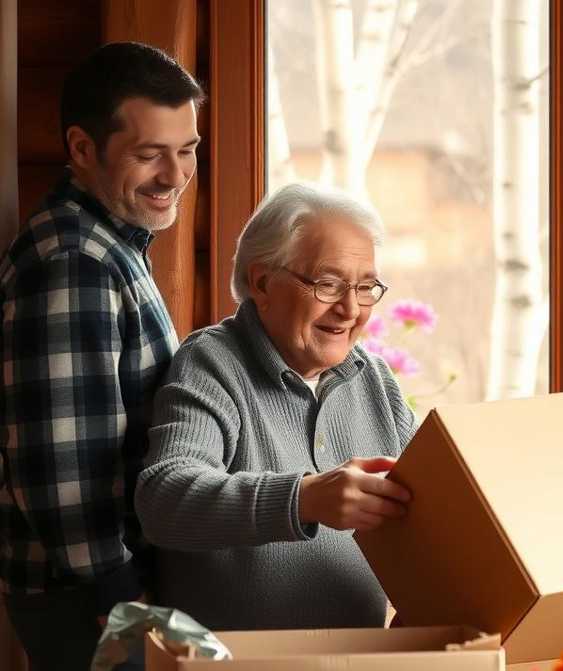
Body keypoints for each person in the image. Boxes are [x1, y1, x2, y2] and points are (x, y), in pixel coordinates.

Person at [0, 42, 203, 669]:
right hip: (91, 594)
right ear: (84, 149)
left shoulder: (112, 243)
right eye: (149, 154)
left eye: (187, 149)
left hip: (104, 584)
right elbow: (58, 462)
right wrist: (121, 596)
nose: (175, 175)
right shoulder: (75, 262)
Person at [135, 183, 415, 630]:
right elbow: (164, 499)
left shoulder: (376, 380)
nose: (350, 309)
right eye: (328, 284)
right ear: (262, 282)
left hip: (361, 656)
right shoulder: (213, 363)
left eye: (365, 287)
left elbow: (433, 513)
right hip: (236, 659)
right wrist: (303, 498)